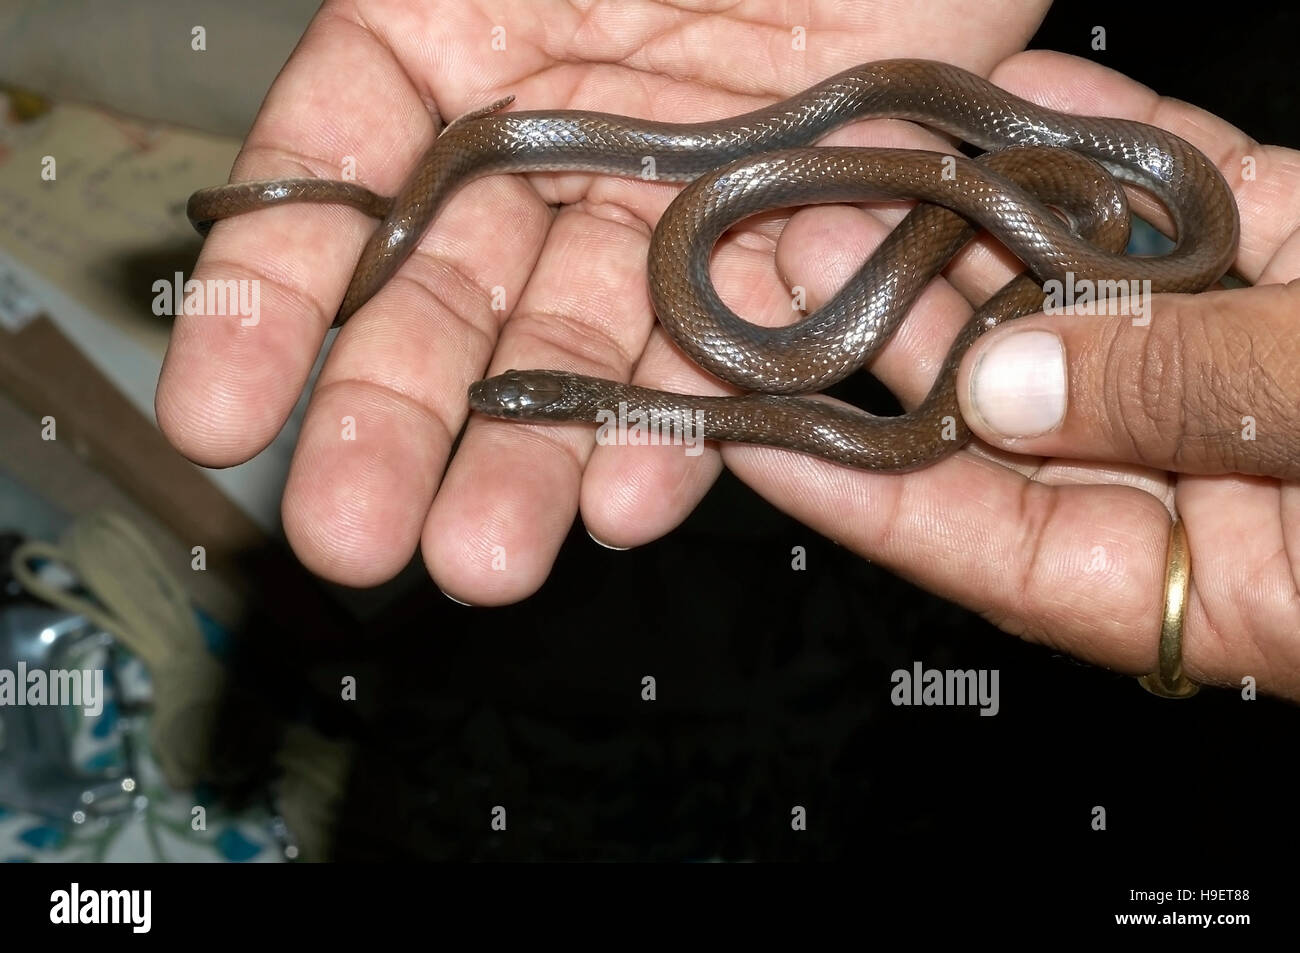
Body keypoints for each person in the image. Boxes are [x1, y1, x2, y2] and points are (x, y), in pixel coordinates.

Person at [155, 1, 1299, 700]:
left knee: (1076, 222)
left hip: (1072, 204)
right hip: (1037, 197)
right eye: (520, 399)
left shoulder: (1081, 210)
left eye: (521, 398)